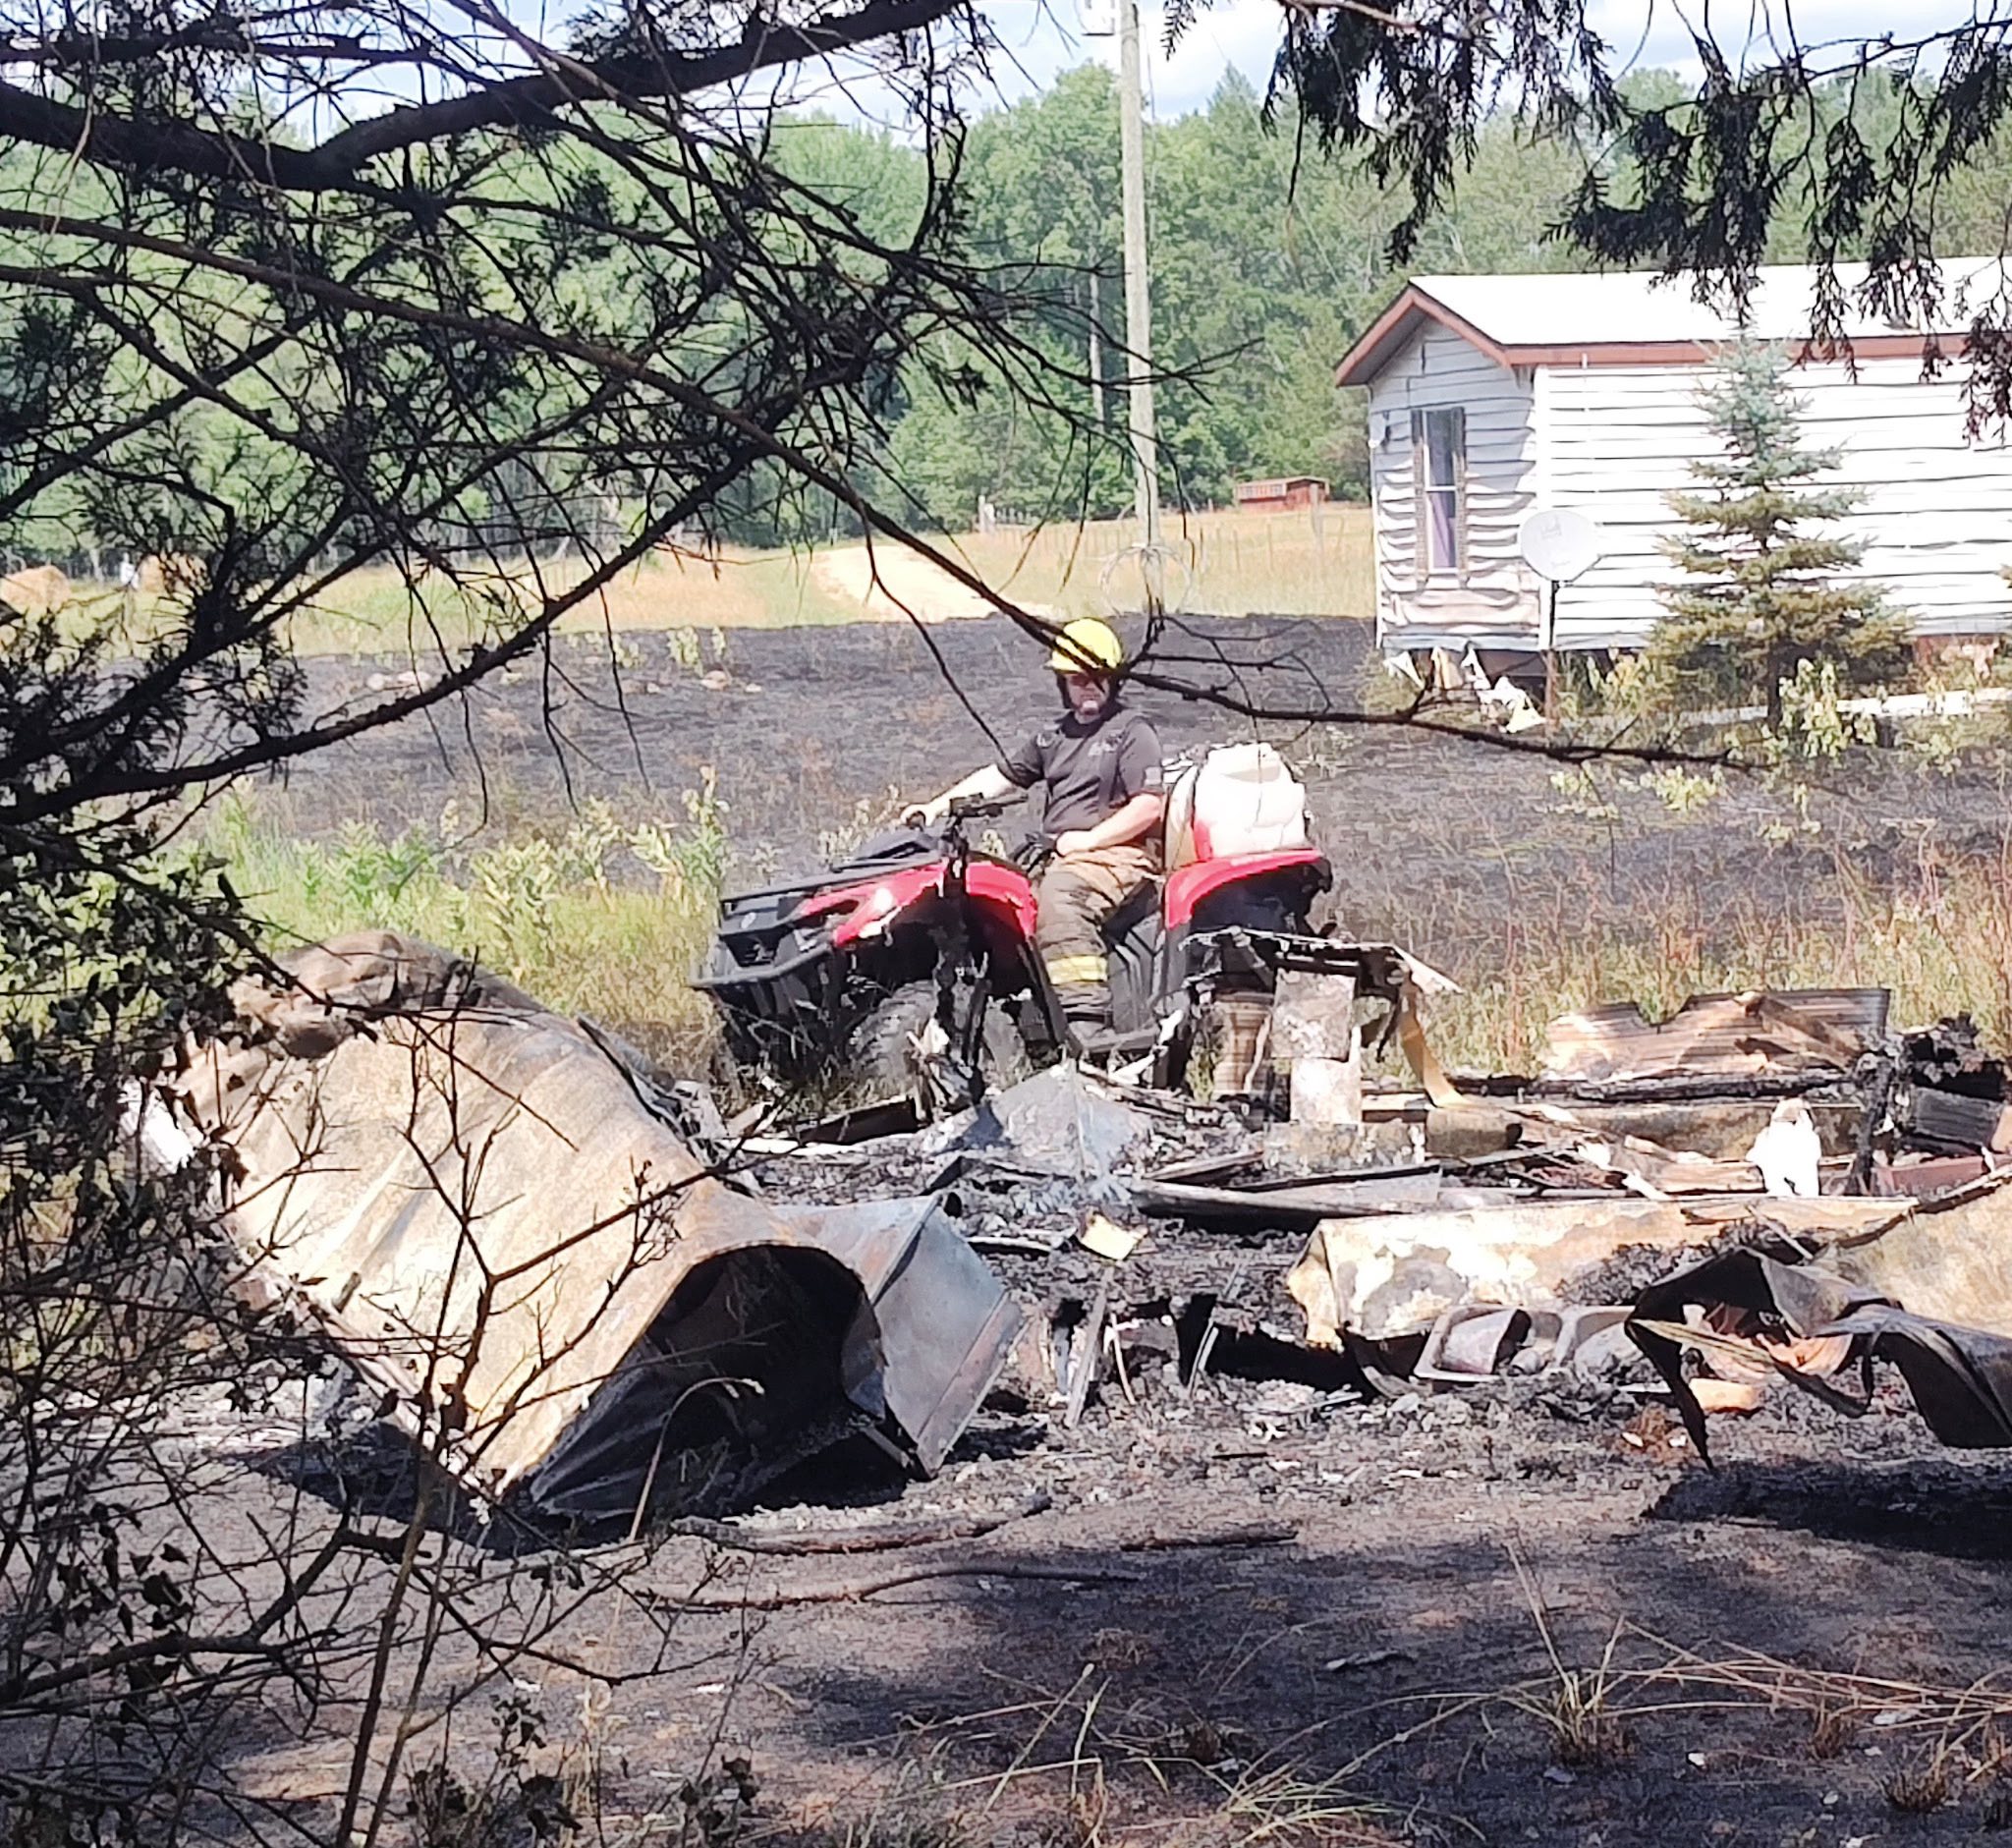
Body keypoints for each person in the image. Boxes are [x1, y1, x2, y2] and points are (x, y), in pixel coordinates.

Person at [909, 617, 1164, 1037]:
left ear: (1113, 680)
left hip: (1119, 856)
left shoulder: (1131, 732)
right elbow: (998, 777)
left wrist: (1089, 841)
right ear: (1062, 682)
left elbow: (1149, 806)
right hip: (1060, 853)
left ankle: (1088, 1029)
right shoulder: (1052, 738)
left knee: (1061, 900)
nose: (1087, 687)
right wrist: (935, 807)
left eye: (1096, 678)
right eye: (1076, 679)